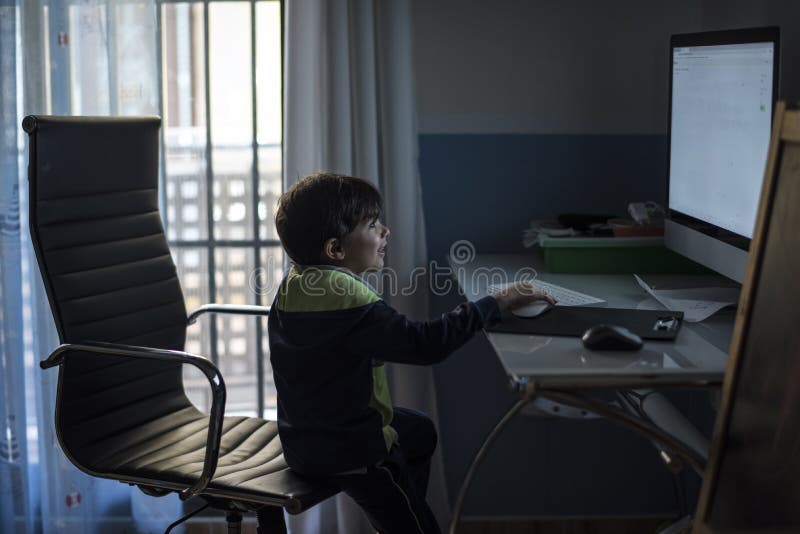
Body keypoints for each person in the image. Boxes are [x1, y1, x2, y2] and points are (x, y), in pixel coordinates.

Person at [268, 172, 555, 533]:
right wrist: (495, 302)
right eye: (372, 225)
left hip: (306, 439)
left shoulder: (294, 286)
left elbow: (325, 354)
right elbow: (425, 345)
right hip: (353, 450)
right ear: (336, 250)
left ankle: (406, 503)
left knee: (419, 431)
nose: (384, 231)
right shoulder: (349, 300)